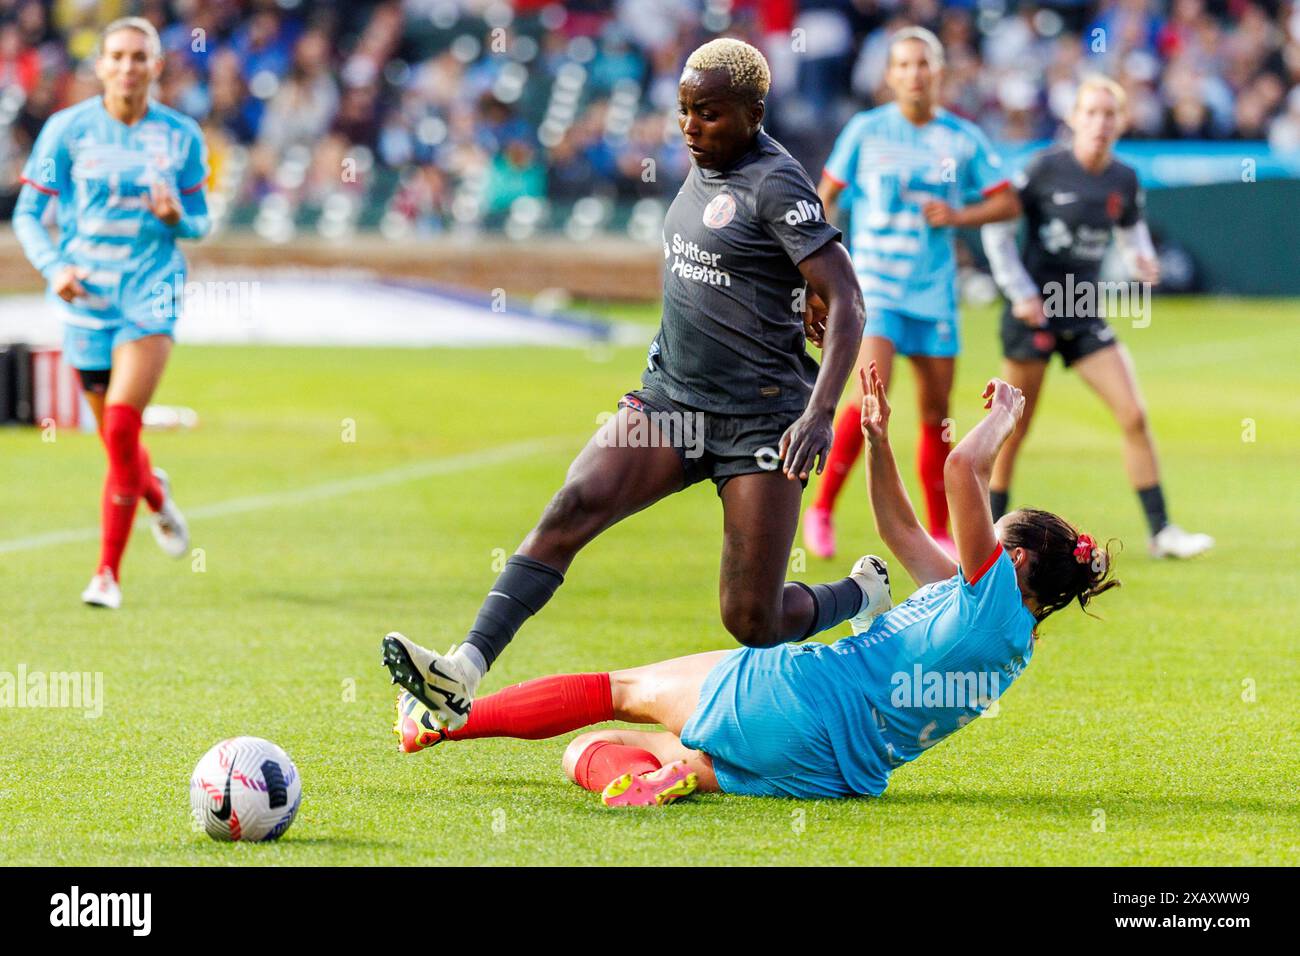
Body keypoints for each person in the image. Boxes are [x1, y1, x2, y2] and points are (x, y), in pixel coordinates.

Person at [381, 38, 882, 731]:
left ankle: (856, 594)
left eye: (707, 112)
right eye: (683, 110)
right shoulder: (704, 160)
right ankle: (463, 669)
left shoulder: (775, 182)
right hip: (672, 400)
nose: (690, 126)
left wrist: (822, 412)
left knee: (752, 620)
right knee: (573, 504)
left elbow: (848, 297)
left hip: (761, 422)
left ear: (753, 112)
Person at [391, 369, 1118, 807]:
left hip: (795, 694)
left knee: (618, 689)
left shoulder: (988, 592)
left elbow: (962, 471)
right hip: (831, 772)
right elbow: (900, 532)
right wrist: (879, 440)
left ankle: (440, 721)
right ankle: (676, 775)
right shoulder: (1000, 632)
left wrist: (1004, 416)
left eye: (996, 533)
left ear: (1016, 561)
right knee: (603, 751)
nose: (978, 536)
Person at [13, 17, 210, 608]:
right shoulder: (66, 131)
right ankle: (155, 492)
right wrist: (55, 268)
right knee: (115, 440)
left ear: (156, 66)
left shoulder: (180, 136)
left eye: (139, 57)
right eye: (117, 56)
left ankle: (107, 574)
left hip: (150, 291)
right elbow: (27, 214)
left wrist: (176, 217)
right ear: (99, 66)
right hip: (85, 300)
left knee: (122, 424)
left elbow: (201, 221)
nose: (128, 66)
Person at [803, 27, 1021, 560]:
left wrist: (959, 215)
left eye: (923, 63)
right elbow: (824, 195)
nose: (914, 74)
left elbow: (1008, 202)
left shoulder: (962, 138)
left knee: (937, 411)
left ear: (939, 71)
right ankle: (823, 507)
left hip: (934, 295)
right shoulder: (866, 130)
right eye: (902, 65)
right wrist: (817, 272)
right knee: (869, 398)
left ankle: (940, 528)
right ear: (890, 75)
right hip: (874, 289)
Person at [980, 75, 1213, 559]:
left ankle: (1161, 531)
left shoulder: (1123, 179)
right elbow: (998, 231)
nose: (1100, 123)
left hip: (1082, 312)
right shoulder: (1044, 168)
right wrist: (1021, 293)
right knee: (1013, 429)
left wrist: (1142, 260)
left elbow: (1132, 234)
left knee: (1133, 414)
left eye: (1110, 114)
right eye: (1091, 113)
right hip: (1035, 313)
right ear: (1073, 118)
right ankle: (986, 536)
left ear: (1122, 121)